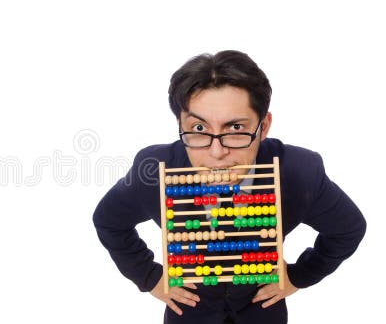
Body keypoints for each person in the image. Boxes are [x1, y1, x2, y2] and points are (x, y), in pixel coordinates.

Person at [92, 50, 366, 323]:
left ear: (264, 126)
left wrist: (299, 276)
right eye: (199, 128)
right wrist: (149, 277)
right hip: (188, 310)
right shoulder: (152, 171)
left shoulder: (299, 172)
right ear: (180, 123)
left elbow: (348, 229)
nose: (216, 152)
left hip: (262, 308)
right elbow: (108, 221)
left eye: (235, 127)